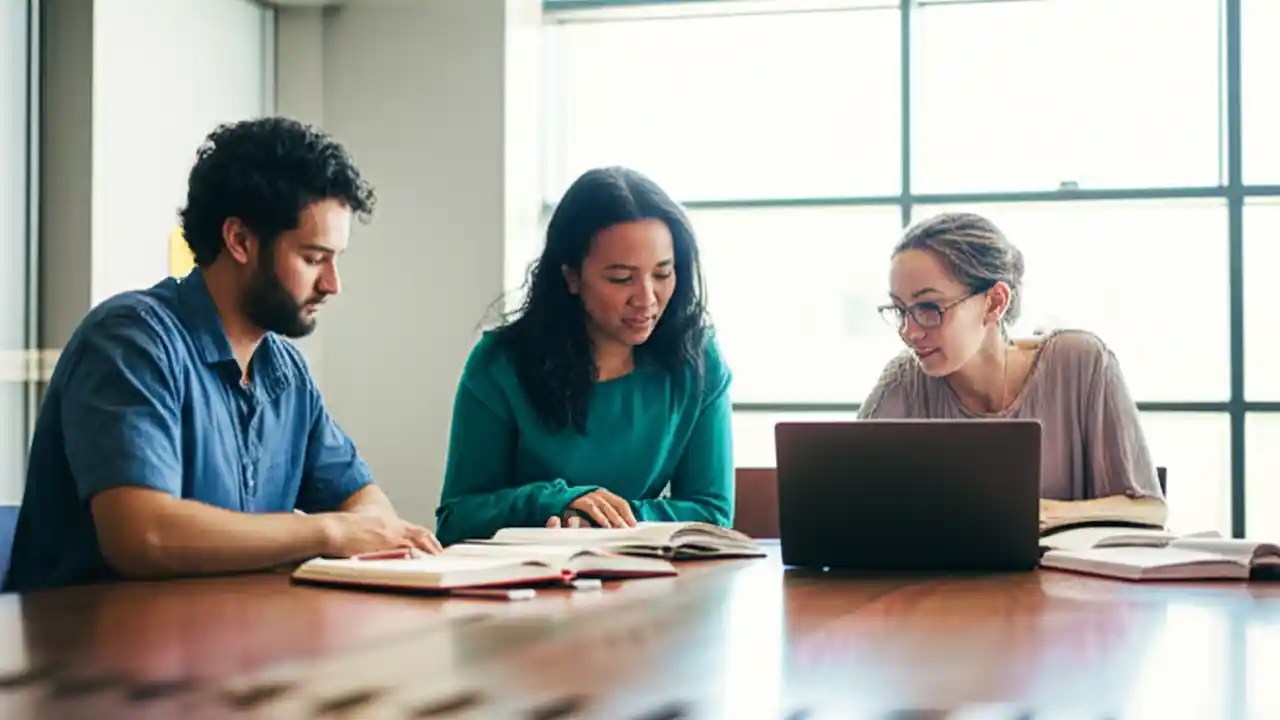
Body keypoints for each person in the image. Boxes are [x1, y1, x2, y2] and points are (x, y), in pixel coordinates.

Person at [4, 117, 439, 593]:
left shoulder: (284, 370)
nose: (333, 284)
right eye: (313, 258)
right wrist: (329, 532)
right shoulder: (132, 341)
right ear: (239, 241)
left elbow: (364, 504)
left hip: (225, 642)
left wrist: (359, 527)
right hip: (95, 653)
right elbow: (143, 534)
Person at [434, 167, 733, 546]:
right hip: (525, 589)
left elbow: (712, 512)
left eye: (663, 273)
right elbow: (457, 518)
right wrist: (557, 501)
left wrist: (601, 517)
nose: (646, 298)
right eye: (621, 278)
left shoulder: (698, 359)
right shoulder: (499, 363)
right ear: (571, 276)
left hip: (650, 584)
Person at [860, 211, 1167, 530]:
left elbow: (1148, 508)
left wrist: (1040, 513)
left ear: (994, 302)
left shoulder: (1081, 363)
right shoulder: (902, 382)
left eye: (928, 308)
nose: (909, 332)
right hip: (943, 581)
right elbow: (848, 502)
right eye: (900, 309)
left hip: (1065, 579)